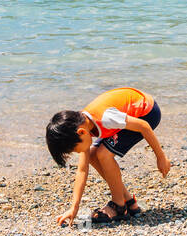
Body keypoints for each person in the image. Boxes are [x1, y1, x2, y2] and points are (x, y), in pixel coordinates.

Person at [47, 87, 168, 225]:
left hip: (147, 113)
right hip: (127, 114)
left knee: (104, 154)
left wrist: (161, 157)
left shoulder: (106, 118)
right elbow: (82, 170)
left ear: (82, 133)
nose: (79, 153)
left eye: (76, 150)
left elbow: (144, 126)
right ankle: (128, 201)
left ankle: (119, 206)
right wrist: (74, 208)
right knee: (92, 154)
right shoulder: (82, 124)